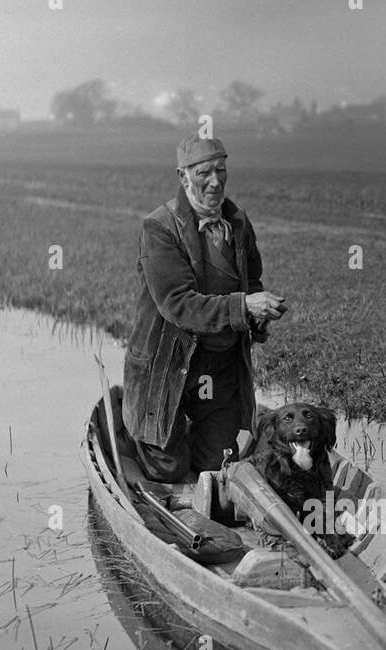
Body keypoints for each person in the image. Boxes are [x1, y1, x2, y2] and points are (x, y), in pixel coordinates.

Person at [120, 134, 288, 483]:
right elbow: (177, 304)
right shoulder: (159, 228)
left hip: (219, 365)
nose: (215, 181)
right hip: (167, 363)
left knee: (216, 467)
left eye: (221, 171)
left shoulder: (238, 222)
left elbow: (251, 281)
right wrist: (243, 306)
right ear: (183, 177)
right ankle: (151, 438)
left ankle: (191, 433)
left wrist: (257, 316)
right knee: (167, 470)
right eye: (203, 174)